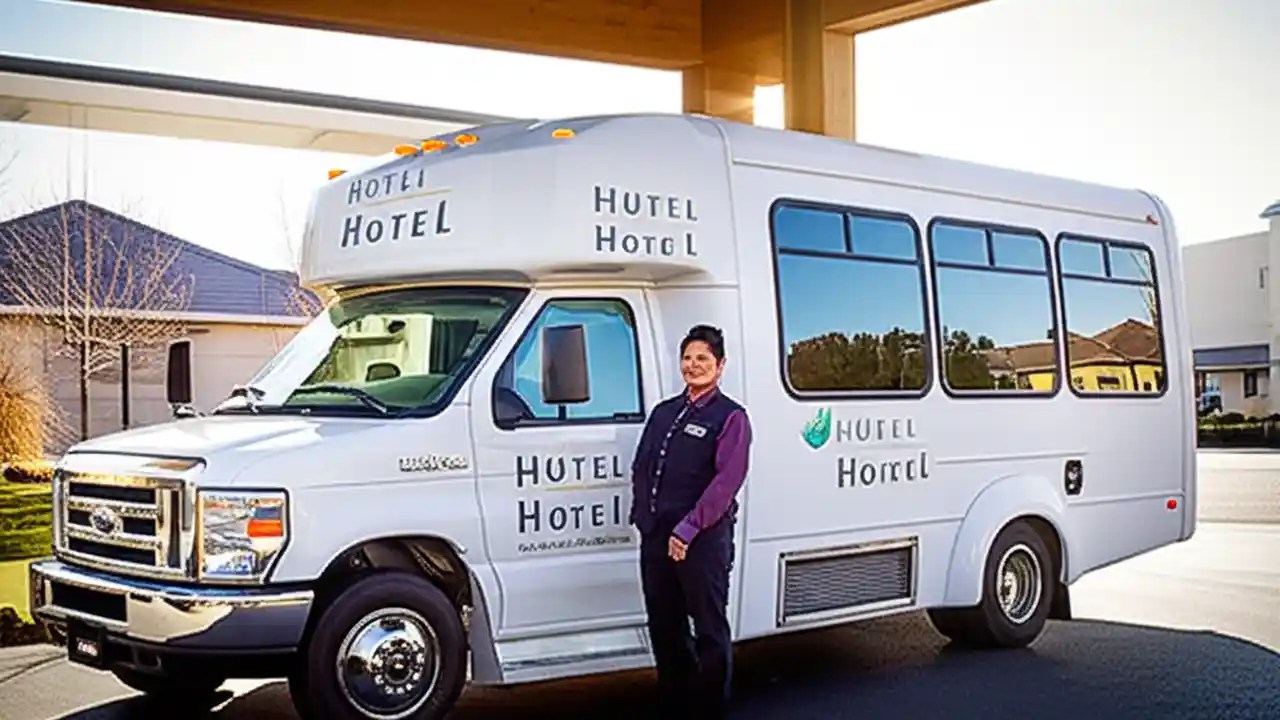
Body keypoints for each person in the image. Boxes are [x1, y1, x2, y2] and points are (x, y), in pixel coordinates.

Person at [629, 324, 753, 719]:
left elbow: (726, 482)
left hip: (703, 540)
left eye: (702, 358)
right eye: (687, 358)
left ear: (720, 365)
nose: (693, 365)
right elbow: (643, 466)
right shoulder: (665, 413)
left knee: (708, 627)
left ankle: (710, 707)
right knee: (664, 626)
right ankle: (675, 700)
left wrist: (688, 528)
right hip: (658, 538)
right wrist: (645, 519)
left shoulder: (731, 417)